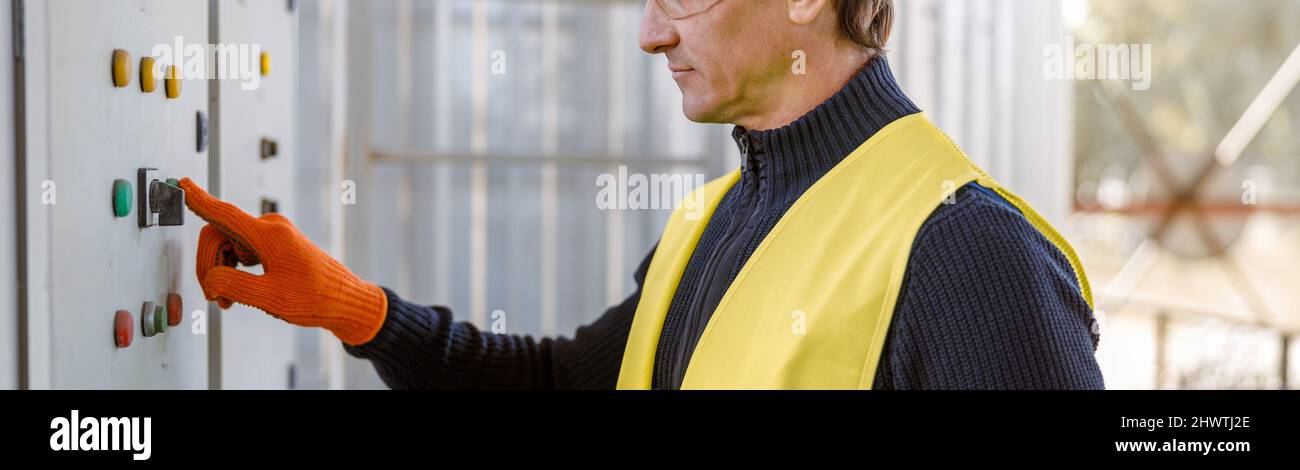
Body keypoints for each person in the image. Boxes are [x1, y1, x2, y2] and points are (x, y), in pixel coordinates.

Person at [178, 0, 1104, 390]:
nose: (650, 34)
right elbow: (555, 386)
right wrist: (354, 309)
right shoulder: (712, 225)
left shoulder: (965, 252)